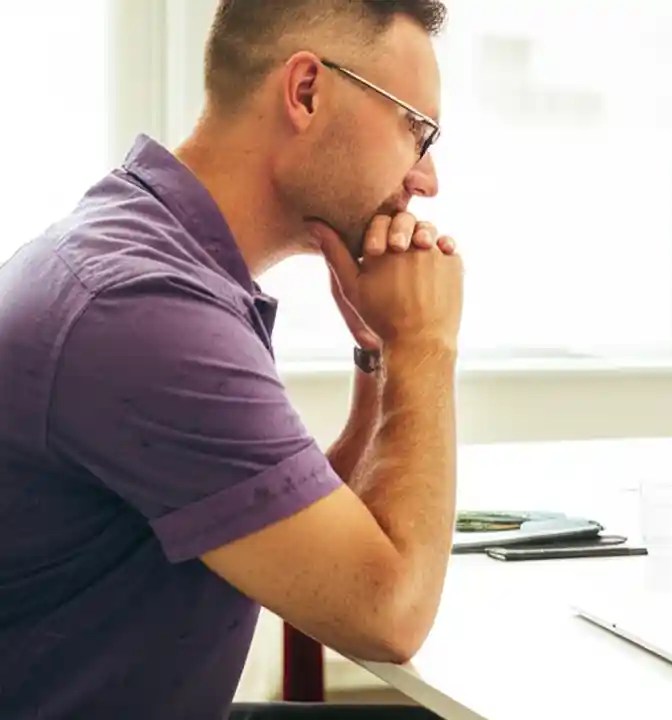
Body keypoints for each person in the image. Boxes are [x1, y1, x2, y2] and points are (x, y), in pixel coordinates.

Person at [0, 1, 461, 718]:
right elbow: (386, 615)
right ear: (306, 91)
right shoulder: (145, 312)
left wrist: (378, 353)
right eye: (415, 129)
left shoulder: (159, 258)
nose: (425, 179)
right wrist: (426, 345)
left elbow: (316, 543)